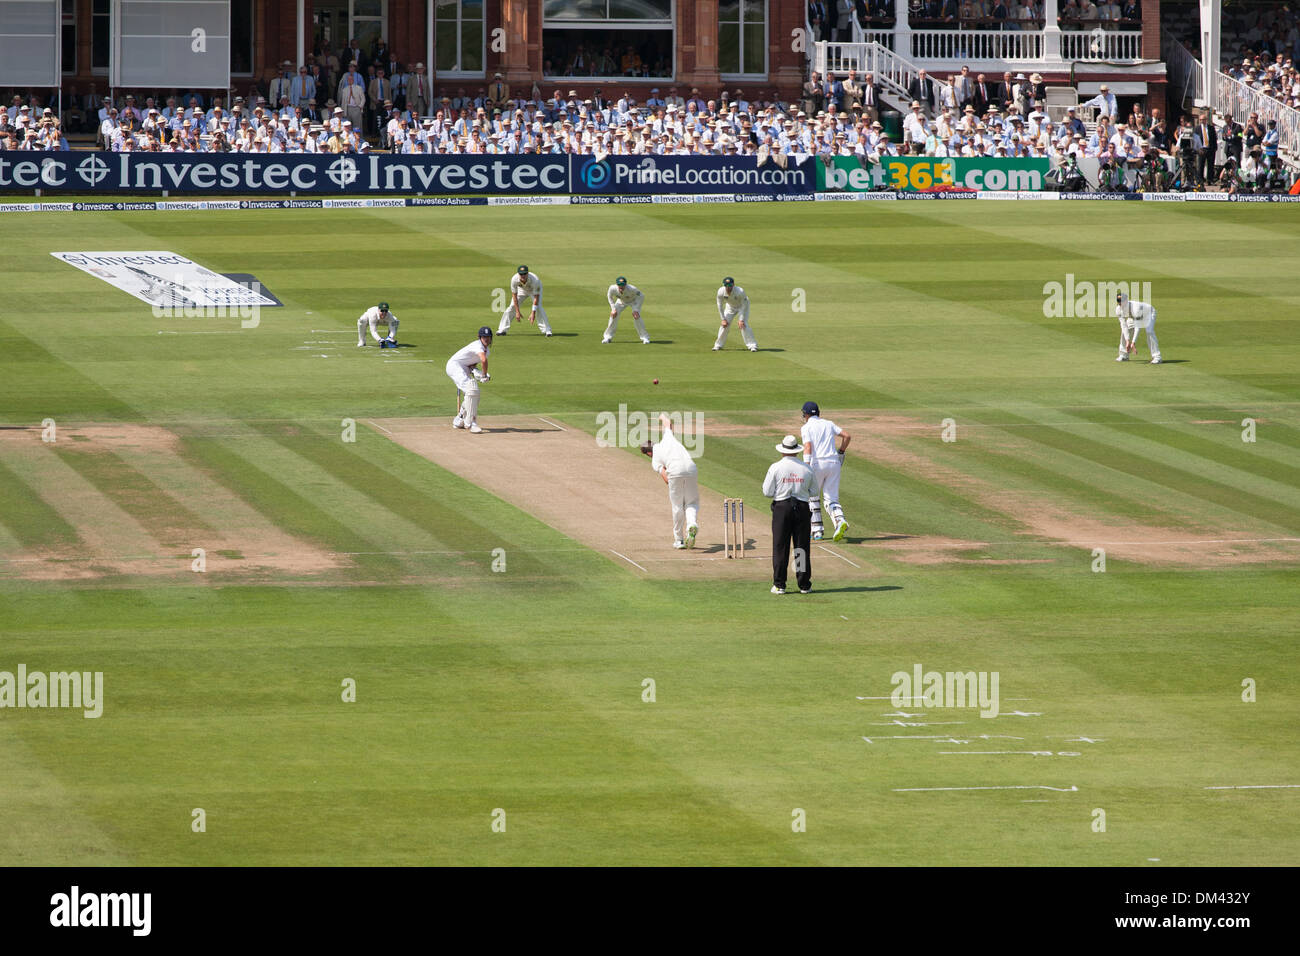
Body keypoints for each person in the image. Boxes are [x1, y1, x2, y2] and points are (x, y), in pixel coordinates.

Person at [762, 435, 815, 594]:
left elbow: (767, 492)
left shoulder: (776, 467)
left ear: (783, 451)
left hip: (782, 508)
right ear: (796, 451)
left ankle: (779, 584)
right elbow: (814, 492)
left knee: (780, 547)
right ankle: (804, 585)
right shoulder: (806, 468)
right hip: (802, 508)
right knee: (801, 547)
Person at [639, 415, 699, 549]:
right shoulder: (667, 437)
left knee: (678, 506)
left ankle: (679, 540)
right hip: (691, 468)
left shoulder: (655, 460)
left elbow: (667, 479)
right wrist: (661, 416)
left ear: (648, 453)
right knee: (692, 502)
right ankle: (692, 524)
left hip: (675, 471)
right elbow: (668, 423)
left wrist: (668, 471)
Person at [800, 401, 851, 542]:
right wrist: (841, 451)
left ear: (806, 414)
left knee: (812, 497)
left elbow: (808, 446)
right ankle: (840, 521)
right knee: (831, 498)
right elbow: (847, 436)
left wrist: (806, 466)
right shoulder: (829, 423)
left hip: (817, 464)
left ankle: (817, 531)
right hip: (834, 463)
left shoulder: (806, 427)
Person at [447, 327, 494, 433]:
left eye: (488, 337)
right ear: (480, 337)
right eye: (484, 337)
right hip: (454, 366)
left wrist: (476, 372)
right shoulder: (478, 346)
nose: (486, 339)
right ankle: (471, 423)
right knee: (472, 390)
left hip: (464, 367)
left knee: (473, 394)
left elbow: (472, 364)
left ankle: (459, 419)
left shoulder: (487, 351)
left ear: (491, 338)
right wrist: (484, 375)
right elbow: (483, 360)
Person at [498, 265, 553, 336]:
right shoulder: (514, 279)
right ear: (518, 274)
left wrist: (533, 313)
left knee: (539, 307)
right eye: (521, 274)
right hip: (521, 290)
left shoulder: (535, 280)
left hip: (533, 291)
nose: (523, 275)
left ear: (528, 273)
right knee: (512, 307)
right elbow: (514, 295)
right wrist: (517, 311)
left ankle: (547, 330)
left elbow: (536, 297)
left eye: (524, 274)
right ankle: (502, 330)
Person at [1115, 290, 1160, 364]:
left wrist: (1133, 342)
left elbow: (1137, 327)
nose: (1120, 304)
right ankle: (1124, 355)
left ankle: (1157, 357)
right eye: (1119, 302)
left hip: (1148, 313)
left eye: (1122, 302)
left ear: (1126, 300)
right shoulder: (1118, 309)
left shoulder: (1136, 308)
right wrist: (1127, 341)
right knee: (1125, 331)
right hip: (1133, 316)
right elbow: (1123, 326)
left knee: (1149, 331)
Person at [713, 276, 757, 352]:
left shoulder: (740, 291)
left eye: (730, 285)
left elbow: (744, 305)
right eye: (726, 285)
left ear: (733, 285)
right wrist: (723, 319)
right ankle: (718, 345)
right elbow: (719, 305)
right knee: (724, 325)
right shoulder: (720, 291)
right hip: (730, 307)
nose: (728, 287)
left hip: (742, 307)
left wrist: (741, 320)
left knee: (743, 325)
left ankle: (752, 345)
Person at [603, 276, 650, 344]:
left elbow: (641, 296)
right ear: (617, 284)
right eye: (619, 285)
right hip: (621, 301)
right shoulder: (612, 288)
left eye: (623, 285)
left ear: (626, 284)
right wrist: (613, 309)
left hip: (634, 301)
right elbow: (609, 296)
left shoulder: (632, 289)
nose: (621, 287)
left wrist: (636, 310)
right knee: (613, 315)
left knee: (636, 317)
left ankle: (645, 338)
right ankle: (607, 337)